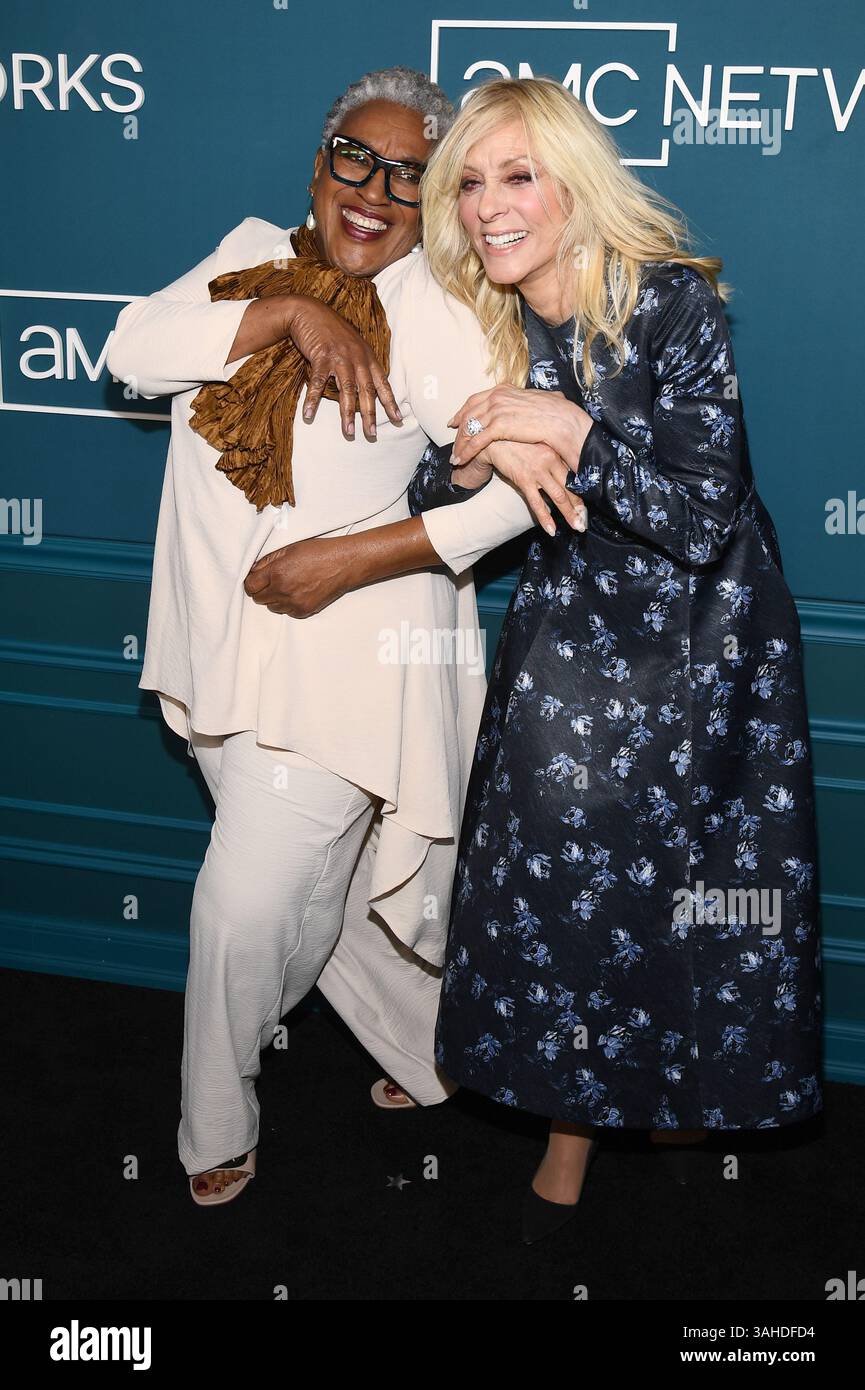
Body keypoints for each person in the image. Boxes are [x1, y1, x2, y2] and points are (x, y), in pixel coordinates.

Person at [266, 77, 823, 1244]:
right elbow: (446, 482)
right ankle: (570, 1127)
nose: (485, 206)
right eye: (467, 181)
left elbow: (701, 509)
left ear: (574, 181)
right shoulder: (489, 313)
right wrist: (470, 462)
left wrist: (568, 428)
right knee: (563, 890)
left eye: (515, 175)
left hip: (707, 641)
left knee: (698, 891)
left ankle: (687, 1096)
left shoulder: (669, 302)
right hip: (570, 640)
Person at [106, 66, 542, 1205]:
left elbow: (515, 492)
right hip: (218, 650)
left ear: (432, 200)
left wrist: (354, 553)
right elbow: (133, 350)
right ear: (319, 163)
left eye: (408, 176)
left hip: (346, 662)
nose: (374, 190)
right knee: (331, 897)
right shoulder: (248, 253)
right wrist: (291, 311)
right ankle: (432, 1055)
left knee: (244, 902)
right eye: (356, 157)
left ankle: (215, 1121)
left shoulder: (439, 319)